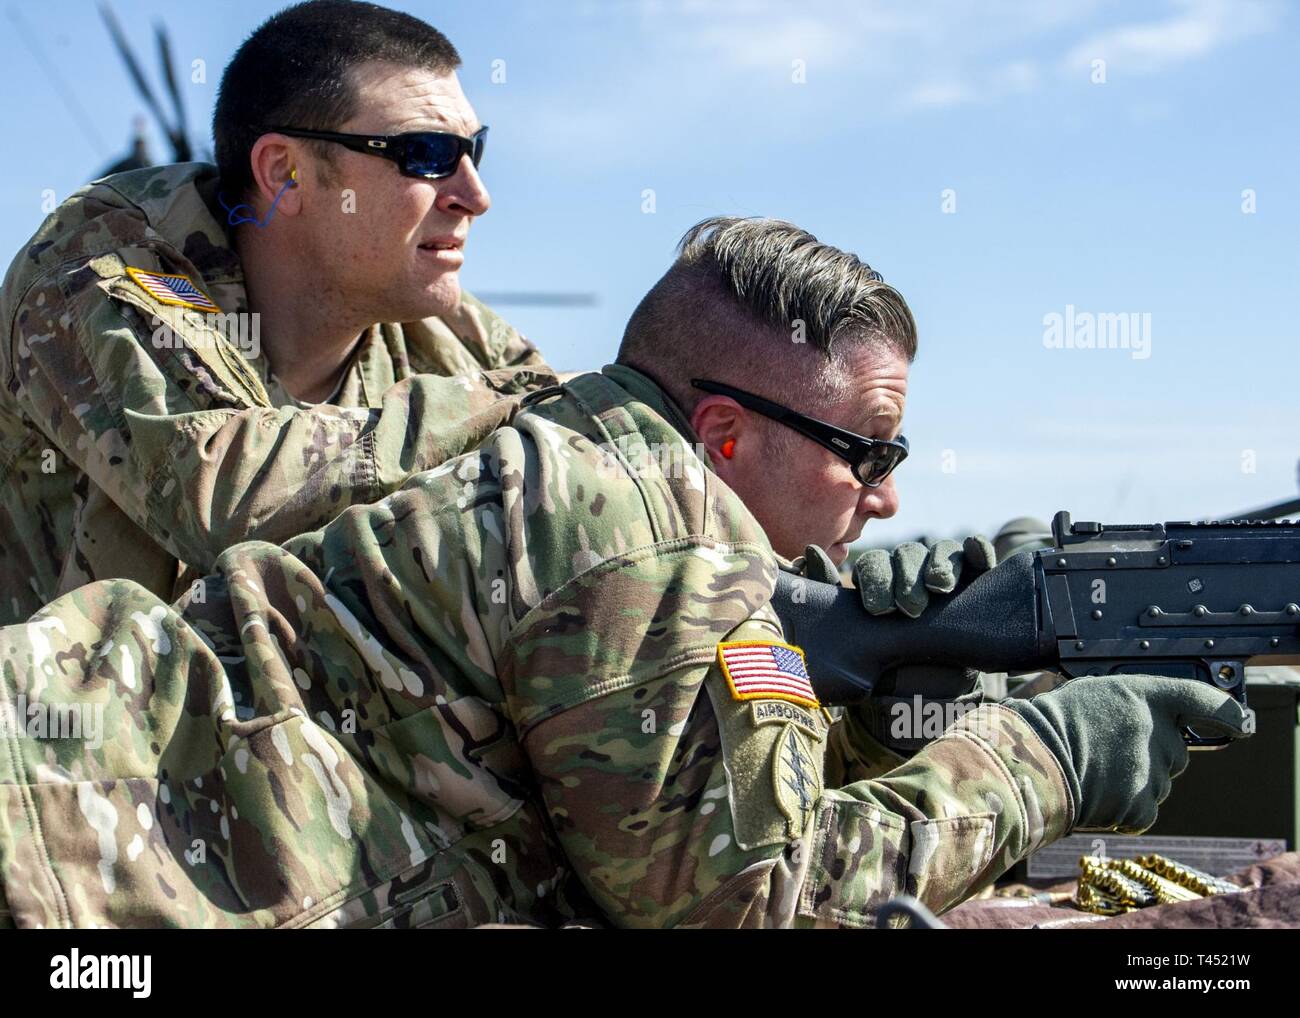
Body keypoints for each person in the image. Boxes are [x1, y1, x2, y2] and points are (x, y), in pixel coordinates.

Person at [0, 217, 1248, 929]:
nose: (886, 496)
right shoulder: (652, 532)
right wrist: (1046, 758)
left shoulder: (587, 462)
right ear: (721, 434)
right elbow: (742, 905)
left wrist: (856, 672)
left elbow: (637, 793)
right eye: (864, 449)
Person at [0, 0, 553, 625]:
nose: (475, 196)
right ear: (284, 173)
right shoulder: (103, 272)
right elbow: (219, 494)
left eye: (474, 149)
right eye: (425, 153)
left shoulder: (452, 338)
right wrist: (497, 408)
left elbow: (581, 437)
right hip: (64, 711)